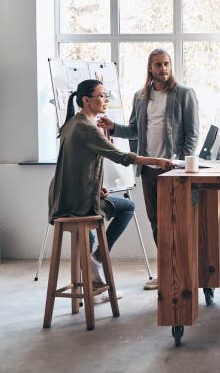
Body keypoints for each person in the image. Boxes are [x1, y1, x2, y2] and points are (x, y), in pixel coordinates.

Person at [49, 79, 175, 301]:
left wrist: (97, 188)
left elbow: (77, 166)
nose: (105, 100)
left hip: (62, 199)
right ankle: (96, 259)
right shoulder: (89, 129)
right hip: (78, 204)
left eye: (106, 96)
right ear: (86, 100)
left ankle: (91, 274)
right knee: (128, 207)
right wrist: (159, 161)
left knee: (93, 221)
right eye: (101, 96)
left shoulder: (71, 123)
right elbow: (123, 157)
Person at [98, 48, 199, 290]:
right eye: (158, 65)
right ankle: (165, 271)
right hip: (148, 170)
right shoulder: (141, 97)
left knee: (178, 221)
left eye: (166, 64)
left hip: (173, 169)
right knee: (156, 221)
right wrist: (114, 127)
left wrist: (181, 164)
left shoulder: (184, 94)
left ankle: (184, 269)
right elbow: (134, 129)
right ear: (150, 68)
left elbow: (192, 134)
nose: (163, 69)